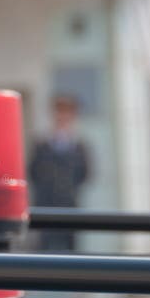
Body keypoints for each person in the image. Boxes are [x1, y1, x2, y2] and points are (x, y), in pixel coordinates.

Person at [29, 95, 91, 252]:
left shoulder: (79, 146)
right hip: (45, 206)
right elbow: (33, 172)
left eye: (67, 112)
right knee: (45, 249)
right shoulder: (41, 144)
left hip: (70, 206)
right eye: (59, 111)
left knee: (71, 251)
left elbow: (85, 174)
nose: (62, 116)